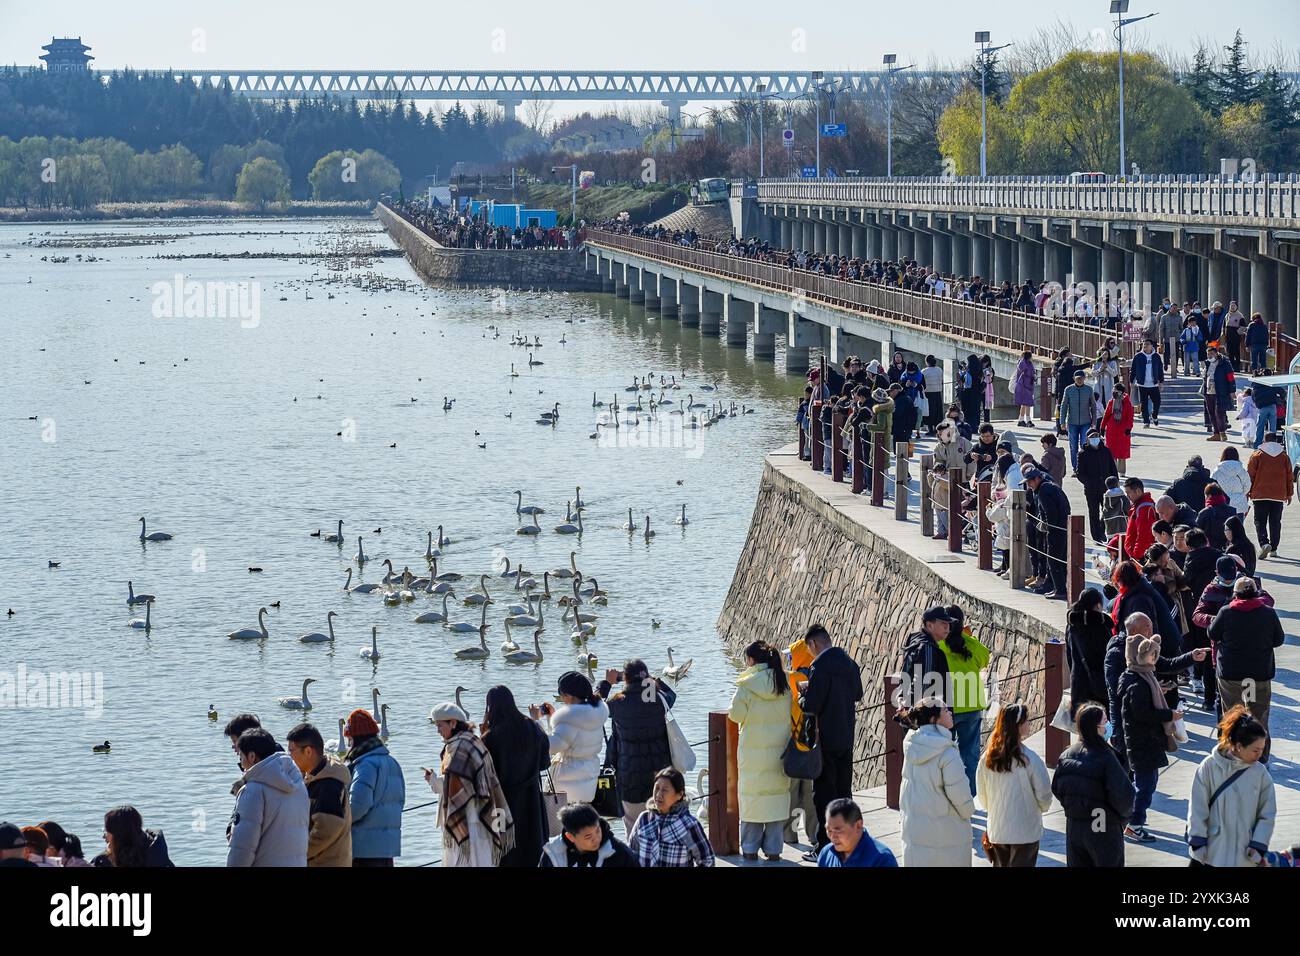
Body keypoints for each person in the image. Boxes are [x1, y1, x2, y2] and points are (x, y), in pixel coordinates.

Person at [426, 701, 515, 867]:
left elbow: (455, 787)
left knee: (467, 861)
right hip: (481, 814)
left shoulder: (459, 747)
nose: (437, 730)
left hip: (468, 818)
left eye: (440, 725)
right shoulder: (472, 741)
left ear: (453, 723)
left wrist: (433, 781)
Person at [800, 623, 864, 855]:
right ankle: (849, 841)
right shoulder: (849, 662)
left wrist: (805, 693)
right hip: (846, 735)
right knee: (844, 792)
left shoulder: (820, 666)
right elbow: (858, 693)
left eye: (810, 649)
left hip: (825, 739)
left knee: (824, 794)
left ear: (814, 644)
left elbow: (812, 705)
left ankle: (825, 846)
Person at [1209, 576, 1287, 762]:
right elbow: (1279, 639)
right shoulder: (1267, 613)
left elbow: (1212, 633)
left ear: (1235, 594)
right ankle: (1261, 757)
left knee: (1233, 715)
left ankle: (1232, 755)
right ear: (1256, 592)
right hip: (1258, 673)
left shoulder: (1226, 612)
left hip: (1231, 674)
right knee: (1259, 716)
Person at [1186, 706, 1275, 867]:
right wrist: (1197, 842)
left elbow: (1267, 814)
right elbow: (1197, 808)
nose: (1260, 755)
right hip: (1211, 854)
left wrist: (1259, 845)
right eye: (1256, 750)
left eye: (1262, 750)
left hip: (1246, 856)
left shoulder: (1260, 773)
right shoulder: (1209, 767)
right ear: (1239, 746)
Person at [727, 640, 792, 861]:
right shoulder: (782, 683)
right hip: (779, 752)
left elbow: (735, 715)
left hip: (753, 754)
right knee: (775, 799)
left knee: (752, 800)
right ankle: (774, 851)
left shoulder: (747, 685)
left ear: (751, 661)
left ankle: (750, 849)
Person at [1117, 633, 1184, 843]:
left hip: (1143, 741)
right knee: (1145, 785)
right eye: (1151, 654)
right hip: (1142, 742)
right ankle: (1134, 824)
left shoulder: (1140, 677)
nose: (1155, 658)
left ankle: (1132, 820)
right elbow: (1143, 713)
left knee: (1146, 783)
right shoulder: (1138, 683)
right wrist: (1169, 715)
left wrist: (1158, 692)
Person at [598, 659, 677, 835]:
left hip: (629, 777)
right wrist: (652, 679)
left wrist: (608, 682)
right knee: (661, 830)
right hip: (660, 778)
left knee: (634, 830)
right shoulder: (658, 701)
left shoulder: (617, 703)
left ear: (624, 678)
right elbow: (671, 694)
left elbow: (593, 707)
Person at [1053, 701, 1135, 866]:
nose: (1108, 725)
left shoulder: (1066, 755)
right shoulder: (1106, 757)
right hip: (1103, 825)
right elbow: (1123, 796)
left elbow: (1057, 788)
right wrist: (1122, 818)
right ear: (1096, 727)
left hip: (1075, 826)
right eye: (1105, 721)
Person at [898, 696, 974, 866]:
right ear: (934, 720)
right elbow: (960, 796)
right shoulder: (947, 752)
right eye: (945, 710)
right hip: (945, 835)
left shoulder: (912, 747)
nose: (950, 712)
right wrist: (969, 811)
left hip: (916, 832)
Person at [478, 686, 550, 867]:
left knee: (505, 854)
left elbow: (484, 777)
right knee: (534, 849)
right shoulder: (533, 728)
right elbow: (544, 763)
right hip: (531, 799)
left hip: (502, 803)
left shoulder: (490, 737)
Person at [976, 703, 1052, 867]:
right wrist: (1041, 808)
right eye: (1026, 721)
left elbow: (982, 796)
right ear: (1018, 726)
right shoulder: (1030, 759)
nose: (1029, 724)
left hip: (997, 829)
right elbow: (1044, 796)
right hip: (1025, 830)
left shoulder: (987, 759)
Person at [227, 728, 309, 866]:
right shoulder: (299, 787)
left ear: (252, 756)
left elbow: (242, 849)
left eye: (241, 757)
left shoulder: (253, 791)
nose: (241, 764)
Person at [938, 605, 990, 796]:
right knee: (970, 757)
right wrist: (969, 636)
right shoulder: (972, 645)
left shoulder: (939, 646)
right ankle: (971, 797)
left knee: (944, 755)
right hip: (971, 705)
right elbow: (985, 659)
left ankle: (948, 795)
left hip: (946, 709)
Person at [531, 673, 606, 806]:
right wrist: (551, 718)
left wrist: (536, 721)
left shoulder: (571, 719)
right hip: (587, 779)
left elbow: (549, 747)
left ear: (568, 695)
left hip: (568, 786)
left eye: (561, 695)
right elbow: (564, 741)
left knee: (563, 825)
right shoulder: (593, 714)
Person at [285, 722, 352, 867]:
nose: (289, 756)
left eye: (292, 751)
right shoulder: (315, 776)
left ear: (308, 751)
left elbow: (327, 828)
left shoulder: (327, 784)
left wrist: (297, 854)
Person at [344, 707, 404, 866]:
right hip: (387, 849)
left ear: (354, 738)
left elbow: (357, 806)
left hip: (364, 849)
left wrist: (338, 823)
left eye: (349, 738)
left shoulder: (365, 765)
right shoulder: (392, 762)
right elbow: (400, 802)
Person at [628, 768, 714, 867]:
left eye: (664, 790)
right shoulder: (644, 819)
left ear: (680, 794)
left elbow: (707, 861)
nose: (659, 794)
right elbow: (631, 855)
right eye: (657, 788)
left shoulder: (689, 825)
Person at [782, 634, 818, 845]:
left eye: (792, 656)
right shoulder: (815, 679)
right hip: (812, 747)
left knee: (792, 797)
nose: (789, 660)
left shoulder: (789, 680)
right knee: (811, 797)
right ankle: (813, 835)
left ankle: (790, 834)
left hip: (793, 746)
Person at [539, 802, 638, 867]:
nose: (596, 839)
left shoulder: (618, 852)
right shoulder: (553, 853)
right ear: (570, 837)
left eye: (598, 830)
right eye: (588, 836)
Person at [1024, 466, 1071, 599]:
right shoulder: (1050, 486)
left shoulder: (1044, 491)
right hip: (1062, 527)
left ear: (1037, 479)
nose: (1028, 485)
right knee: (1059, 560)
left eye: (1030, 481)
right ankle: (1057, 587)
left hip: (1056, 530)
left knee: (1053, 561)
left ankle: (1060, 590)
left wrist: (1047, 527)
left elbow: (1051, 513)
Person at [1068, 589, 1115, 718]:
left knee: (1084, 723)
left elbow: (1069, 655)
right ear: (1098, 605)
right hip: (1099, 682)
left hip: (1079, 680)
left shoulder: (1072, 625)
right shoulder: (1101, 626)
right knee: (1102, 723)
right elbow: (1108, 655)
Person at [1247, 433, 1293, 560]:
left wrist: (1247, 492)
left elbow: (1250, 476)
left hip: (1260, 494)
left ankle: (1264, 543)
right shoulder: (1284, 457)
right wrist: (1289, 493)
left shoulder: (1257, 455)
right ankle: (1274, 548)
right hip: (1278, 494)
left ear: (1264, 441)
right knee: (1275, 522)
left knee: (1260, 521)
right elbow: (1290, 477)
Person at [816, 798, 898, 867]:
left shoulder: (882, 859)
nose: (833, 836)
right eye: (829, 830)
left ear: (858, 826)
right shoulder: (826, 854)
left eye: (838, 830)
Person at [930, 421, 971, 540]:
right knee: (941, 505)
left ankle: (959, 531)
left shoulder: (963, 443)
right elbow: (938, 460)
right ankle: (942, 531)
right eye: (939, 433)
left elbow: (971, 461)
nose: (940, 435)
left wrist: (968, 476)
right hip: (945, 479)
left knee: (962, 507)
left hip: (963, 479)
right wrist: (938, 467)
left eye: (942, 433)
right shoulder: (939, 446)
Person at [1076, 428, 1118, 542]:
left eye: (1096, 436)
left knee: (1107, 511)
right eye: (1092, 437)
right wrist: (1089, 483)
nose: (1095, 439)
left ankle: (1102, 531)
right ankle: (1096, 536)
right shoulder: (1083, 453)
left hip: (1106, 488)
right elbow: (1080, 473)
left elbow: (1112, 468)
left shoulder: (1106, 451)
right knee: (1093, 512)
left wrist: (1115, 482)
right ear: (1088, 439)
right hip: (1091, 489)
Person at [1061, 368, 1095, 472]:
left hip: (1086, 422)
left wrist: (1094, 421)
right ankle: (1075, 468)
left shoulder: (1089, 389)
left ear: (1084, 378)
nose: (1079, 380)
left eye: (1081, 378)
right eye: (1077, 379)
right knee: (1073, 446)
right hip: (1072, 423)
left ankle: (1085, 467)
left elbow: (1093, 405)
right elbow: (1064, 406)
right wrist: (1062, 422)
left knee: (1084, 445)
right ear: (1074, 379)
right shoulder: (1068, 389)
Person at [1202, 343, 1237, 442]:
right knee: (1211, 412)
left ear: (1216, 353)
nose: (1210, 356)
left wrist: (1232, 390)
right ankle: (1216, 433)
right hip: (1209, 391)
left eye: (1211, 354)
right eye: (1208, 355)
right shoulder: (1207, 363)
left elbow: (1230, 377)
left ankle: (1222, 432)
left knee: (1219, 412)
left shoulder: (1224, 363)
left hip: (1221, 391)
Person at [1100, 383, 1134, 476]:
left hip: (1123, 432)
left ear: (1121, 392)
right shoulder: (1111, 402)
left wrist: (1128, 428)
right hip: (1111, 430)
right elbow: (1106, 415)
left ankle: (1122, 471)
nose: (1114, 392)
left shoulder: (1127, 403)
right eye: (1113, 390)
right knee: (1111, 451)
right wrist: (1102, 427)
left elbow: (1130, 417)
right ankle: (1113, 470)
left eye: (1116, 391)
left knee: (1122, 452)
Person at [1122, 476, 1158, 562]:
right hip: (1136, 555)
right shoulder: (1139, 505)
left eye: (1128, 493)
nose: (1127, 496)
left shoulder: (1144, 508)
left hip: (1139, 557)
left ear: (1138, 491)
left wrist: (1136, 555)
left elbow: (1144, 535)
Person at [1130, 339, 1164, 427]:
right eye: (1144, 344)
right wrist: (1131, 381)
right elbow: (1133, 370)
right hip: (1142, 384)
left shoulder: (1156, 356)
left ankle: (1154, 415)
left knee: (1157, 402)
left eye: (1147, 344)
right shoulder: (1138, 356)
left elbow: (1160, 370)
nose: (1145, 346)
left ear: (1151, 346)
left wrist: (1161, 382)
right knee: (1143, 404)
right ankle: (1146, 421)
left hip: (1154, 384)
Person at [1196, 481, 1236, 551]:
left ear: (1209, 496)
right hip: (1229, 548)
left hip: (1209, 550)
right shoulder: (1232, 511)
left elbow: (1196, 531)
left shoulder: (1205, 512)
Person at [921, 354, 944, 435]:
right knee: (937, 412)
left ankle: (930, 429)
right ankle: (936, 429)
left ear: (927, 362)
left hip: (928, 393)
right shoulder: (939, 370)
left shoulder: (924, 371)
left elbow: (922, 382)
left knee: (929, 411)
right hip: (937, 392)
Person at [1014, 350, 1036, 426]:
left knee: (1024, 403)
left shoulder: (1024, 363)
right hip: (1024, 386)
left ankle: (1021, 419)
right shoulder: (1024, 364)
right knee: (1027, 403)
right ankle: (1028, 420)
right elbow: (1027, 373)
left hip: (1025, 385)